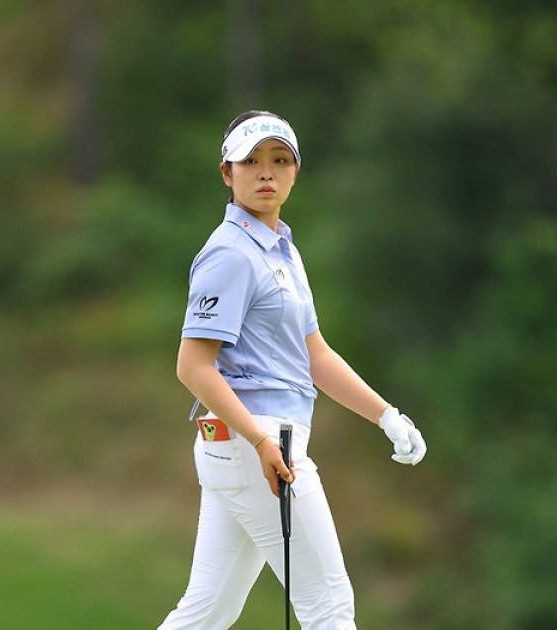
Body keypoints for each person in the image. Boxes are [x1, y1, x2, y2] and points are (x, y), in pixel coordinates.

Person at [158, 110, 427, 630]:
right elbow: (193, 366)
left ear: (295, 172)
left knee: (207, 612)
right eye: (251, 161)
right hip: (258, 445)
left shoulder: (281, 249)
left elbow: (315, 355)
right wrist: (260, 442)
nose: (265, 172)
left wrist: (386, 415)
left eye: (279, 160)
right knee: (328, 606)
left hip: (246, 446)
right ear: (226, 173)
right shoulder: (230, 255)